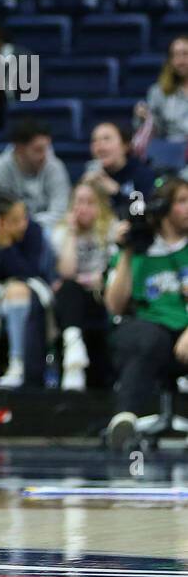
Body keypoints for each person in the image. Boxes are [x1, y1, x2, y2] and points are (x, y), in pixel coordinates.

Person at [104, 177, 188, 418]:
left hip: (184, 329)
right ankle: (126, 419)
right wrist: (126, 252)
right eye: (182, 201)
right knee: (151, 338)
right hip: (145, 329)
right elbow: (115, 305)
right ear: (163, 207)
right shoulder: (139, 248)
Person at [0, 191, 55, 389]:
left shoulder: (33, 231)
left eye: (24, 217)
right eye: (15, 220)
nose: (23, 223)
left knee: (17, 291)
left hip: (27, 290)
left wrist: (5, 245)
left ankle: (18, 364)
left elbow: (29, 271)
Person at [51, 181, 117, 391]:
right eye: (79, 202)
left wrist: (93, 279)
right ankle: (73, 350)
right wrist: (72, 234)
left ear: (100, 207)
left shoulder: (112, 229)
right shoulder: (62, 231)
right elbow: (67, 272)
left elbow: (112, 272)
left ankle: (76, 355)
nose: (83, 208)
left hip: (104, 295)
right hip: (75, 297)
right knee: (68, 288)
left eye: (90, 202)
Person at [0, 119, 72, 234]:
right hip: (9, 231)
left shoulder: (55, 166)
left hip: (46, 231)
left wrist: (26, 224)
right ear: (19, 149)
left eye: (46, 148)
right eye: (38, 150)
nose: (44, 155)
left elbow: (61, 213)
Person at [83, 122, 158, 220]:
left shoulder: (143, 175)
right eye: (94, 141)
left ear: (125, 145)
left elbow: (145, 215)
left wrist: (116, 192)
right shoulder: (91, 178)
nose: (99, 147)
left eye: (106, 139)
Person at [135, 35, 188, 144]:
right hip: (173, 153)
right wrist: (144, 118)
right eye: (175, 55)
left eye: (185, 54)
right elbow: (155, 134)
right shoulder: (158, 92)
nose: (180, 61)